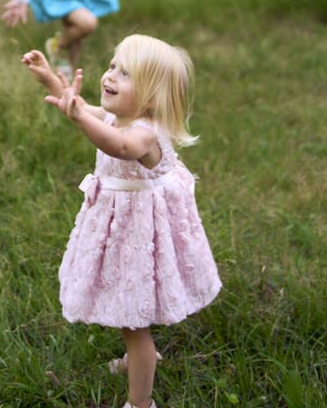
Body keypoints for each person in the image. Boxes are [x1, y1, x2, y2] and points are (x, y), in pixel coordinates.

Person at [21, 34, 222, 408]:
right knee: (128, 302)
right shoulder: (119, 115)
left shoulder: (143, 134)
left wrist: (80, 115)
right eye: (113, 65)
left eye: (125, 73)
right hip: (125, 228)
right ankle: (138, 359)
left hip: (139, 233)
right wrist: (50, 80)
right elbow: (83, 108)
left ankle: (140, 401)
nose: (110, 75)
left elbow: (118, 146)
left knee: (133, 320)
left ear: (150, 97)